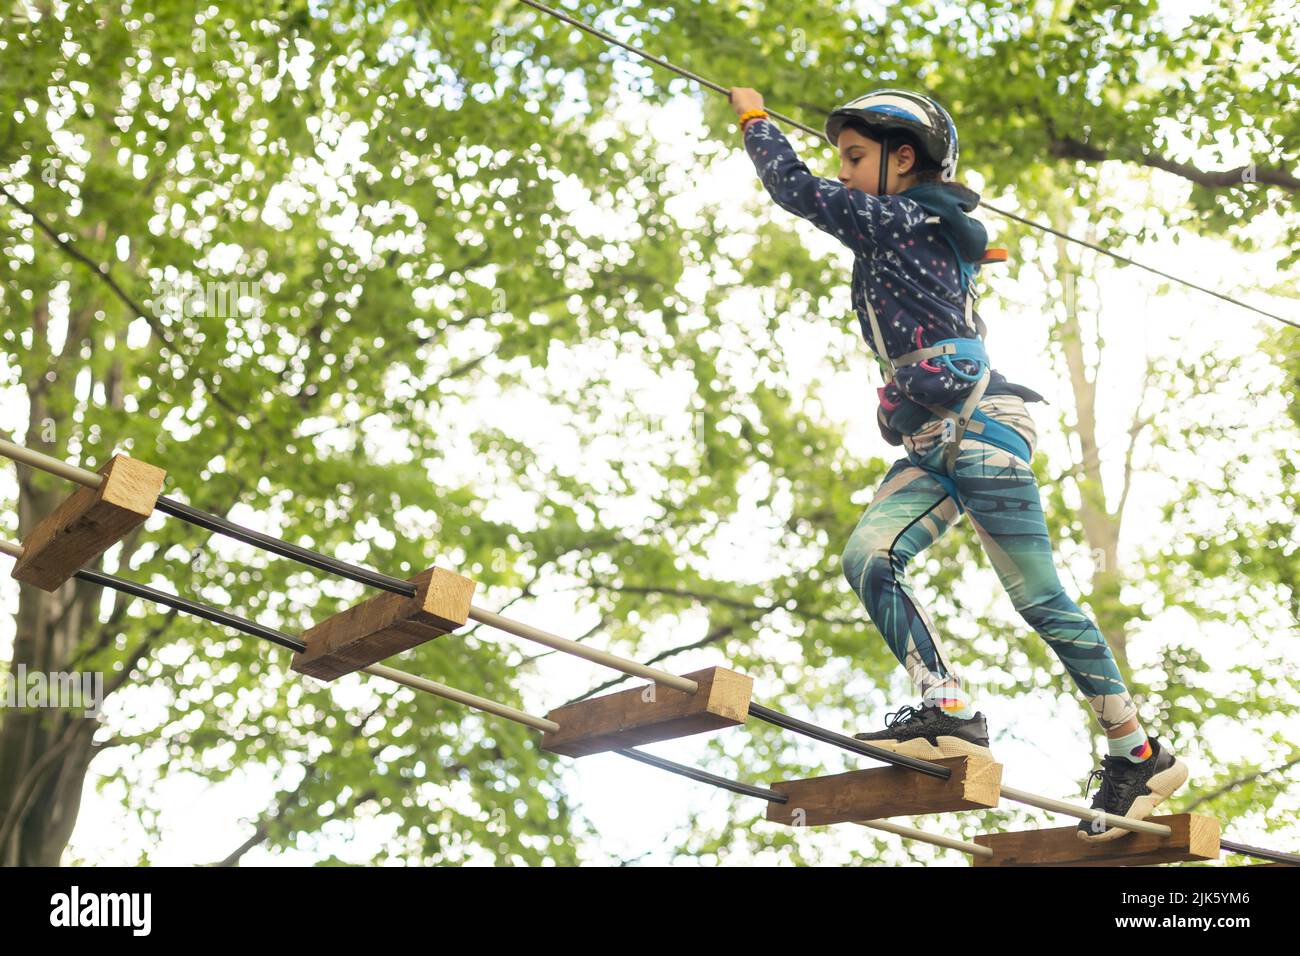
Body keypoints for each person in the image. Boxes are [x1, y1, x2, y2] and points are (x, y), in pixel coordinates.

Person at [729, 86, 1187, 842]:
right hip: (931, 440)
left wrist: (756, 121)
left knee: (1038, 597)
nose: (842, 171)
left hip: (982, 427)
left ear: (903, 159)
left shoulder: (902, 217)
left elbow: (797, 191)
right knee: (868, 557)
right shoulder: (908, 230)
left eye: (855, 157)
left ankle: (1138, 753)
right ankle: (947, 710)